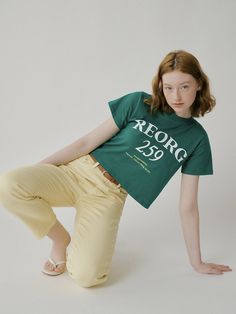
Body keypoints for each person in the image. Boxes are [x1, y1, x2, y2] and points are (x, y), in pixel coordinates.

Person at [0, 49, 232, 288]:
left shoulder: (196, 138)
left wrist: (197, 262)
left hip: (108, 195)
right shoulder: (139, 103)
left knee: (86, 277)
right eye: (168, 87)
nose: (176, 96)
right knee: (9, 185)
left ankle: (78, 248)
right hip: (77, 172)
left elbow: (188, 205)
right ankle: (60, 240)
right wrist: (38, 172)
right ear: (160, 86)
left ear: (199, 85)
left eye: (184, 86)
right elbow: (86, 142)